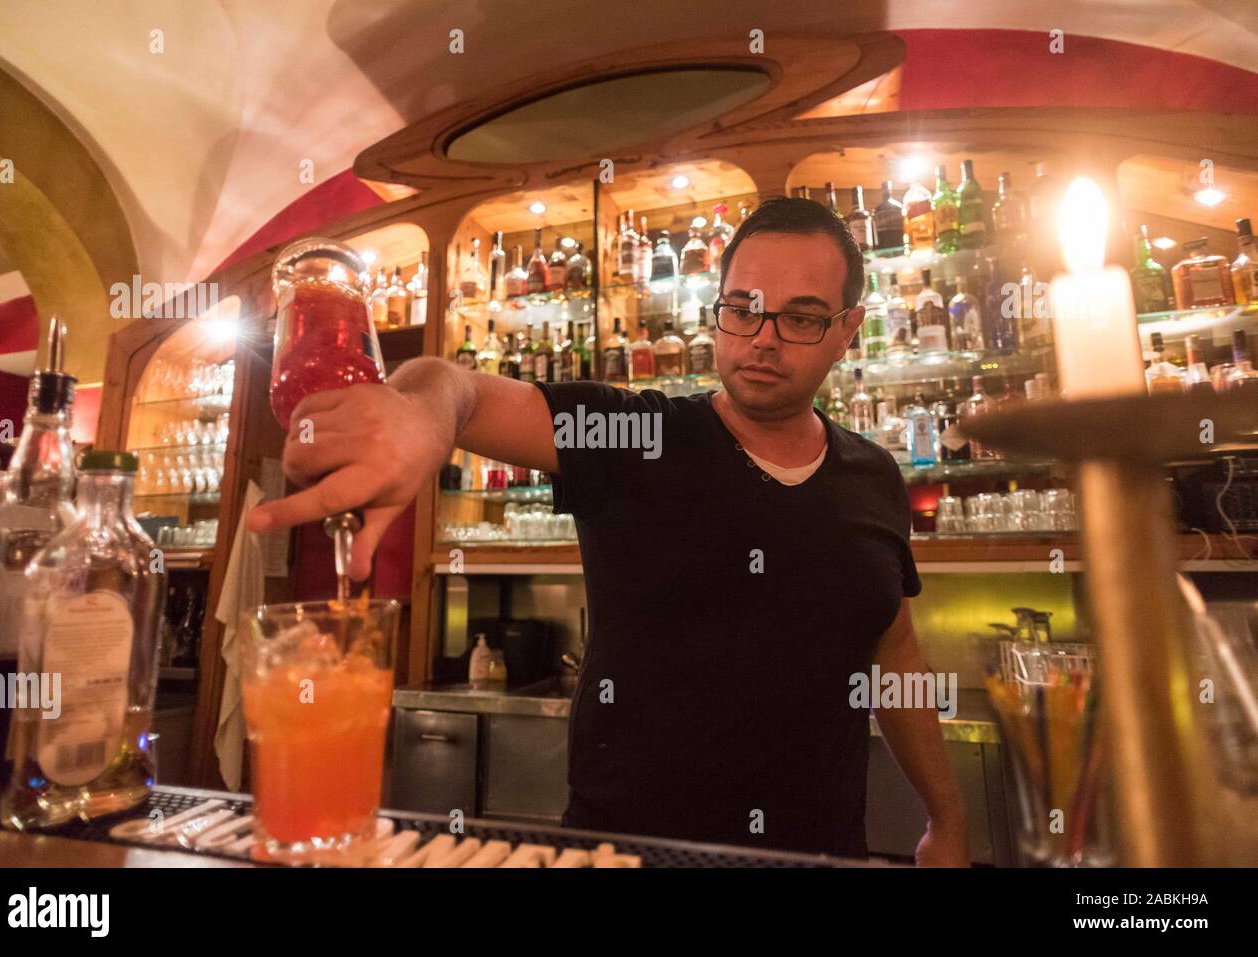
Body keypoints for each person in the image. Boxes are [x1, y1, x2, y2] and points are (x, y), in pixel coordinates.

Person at [249, 197, 969, 864]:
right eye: (742, 309)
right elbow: (460, 391)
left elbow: (893, 647)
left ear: (847, 329)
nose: (763, 338)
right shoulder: (636, 435)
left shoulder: (874, 475)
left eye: (802, 317)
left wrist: (947, 816)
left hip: (819, 853)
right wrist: (420, 412)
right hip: (628, 853)